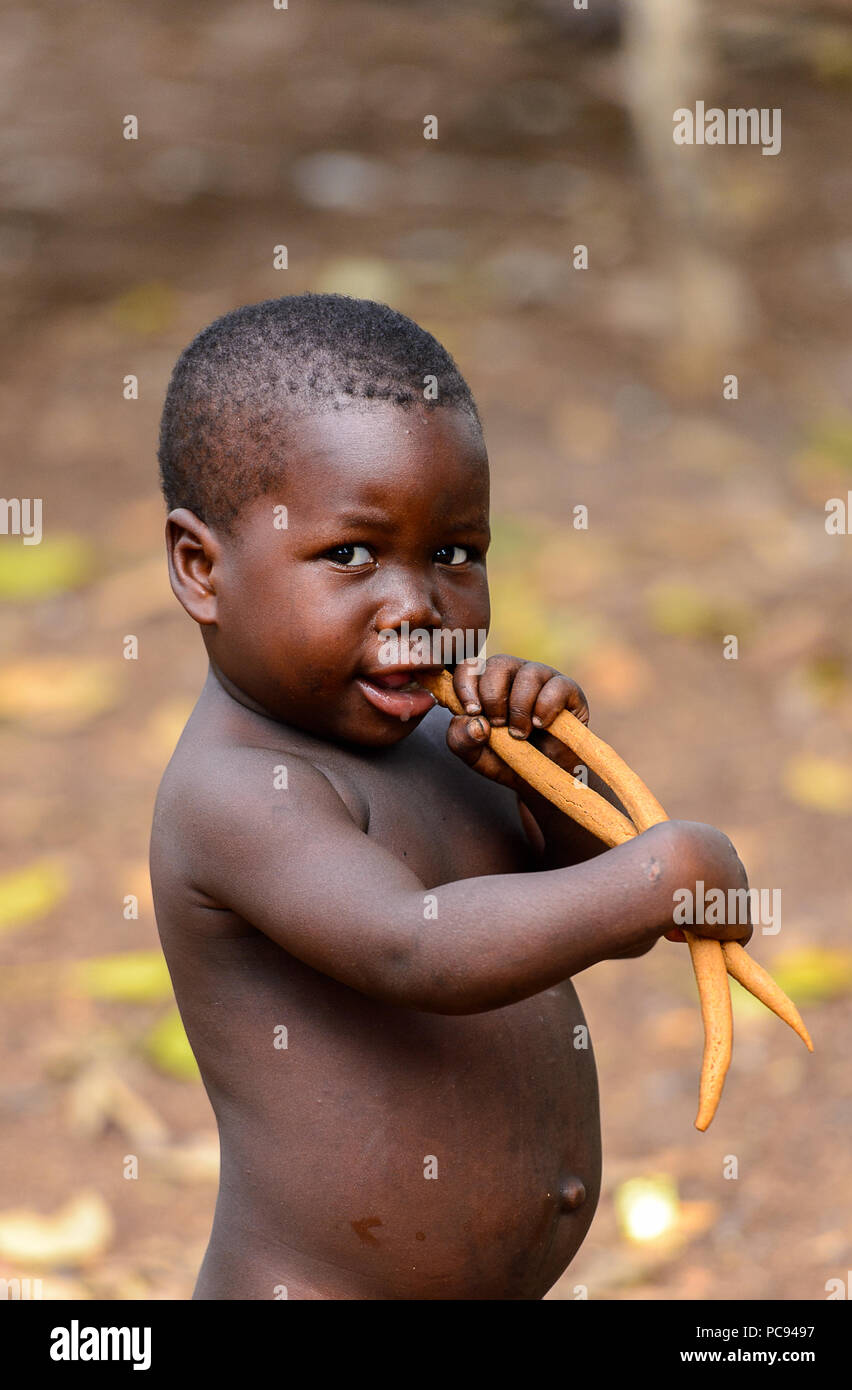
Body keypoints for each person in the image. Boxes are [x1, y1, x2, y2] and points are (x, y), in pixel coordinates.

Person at [150, 293, 750, 1300]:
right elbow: (414, 942)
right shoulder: (239, 792)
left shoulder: (439, 736)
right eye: (351, 554)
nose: (418, 604)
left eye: (455, 553)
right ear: (201, 568)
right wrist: (659, 875)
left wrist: (566, 783)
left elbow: (582, 891)